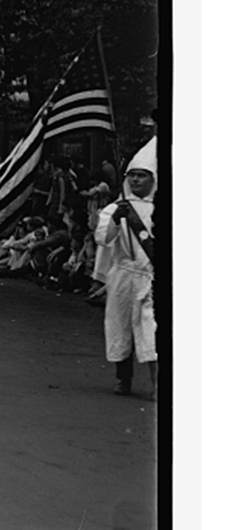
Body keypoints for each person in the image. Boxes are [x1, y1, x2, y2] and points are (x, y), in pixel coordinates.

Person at [96, 138, 157, 398]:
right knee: (120, 326)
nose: (136, 180)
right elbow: (103, 238)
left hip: (149, 277)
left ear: (153, 179)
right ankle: (123, 378)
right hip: (123, 273)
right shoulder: (115, 208)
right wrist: (116, 219)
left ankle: (157, 383)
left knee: (152, 330)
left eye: (142, 175)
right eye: (132, 175)